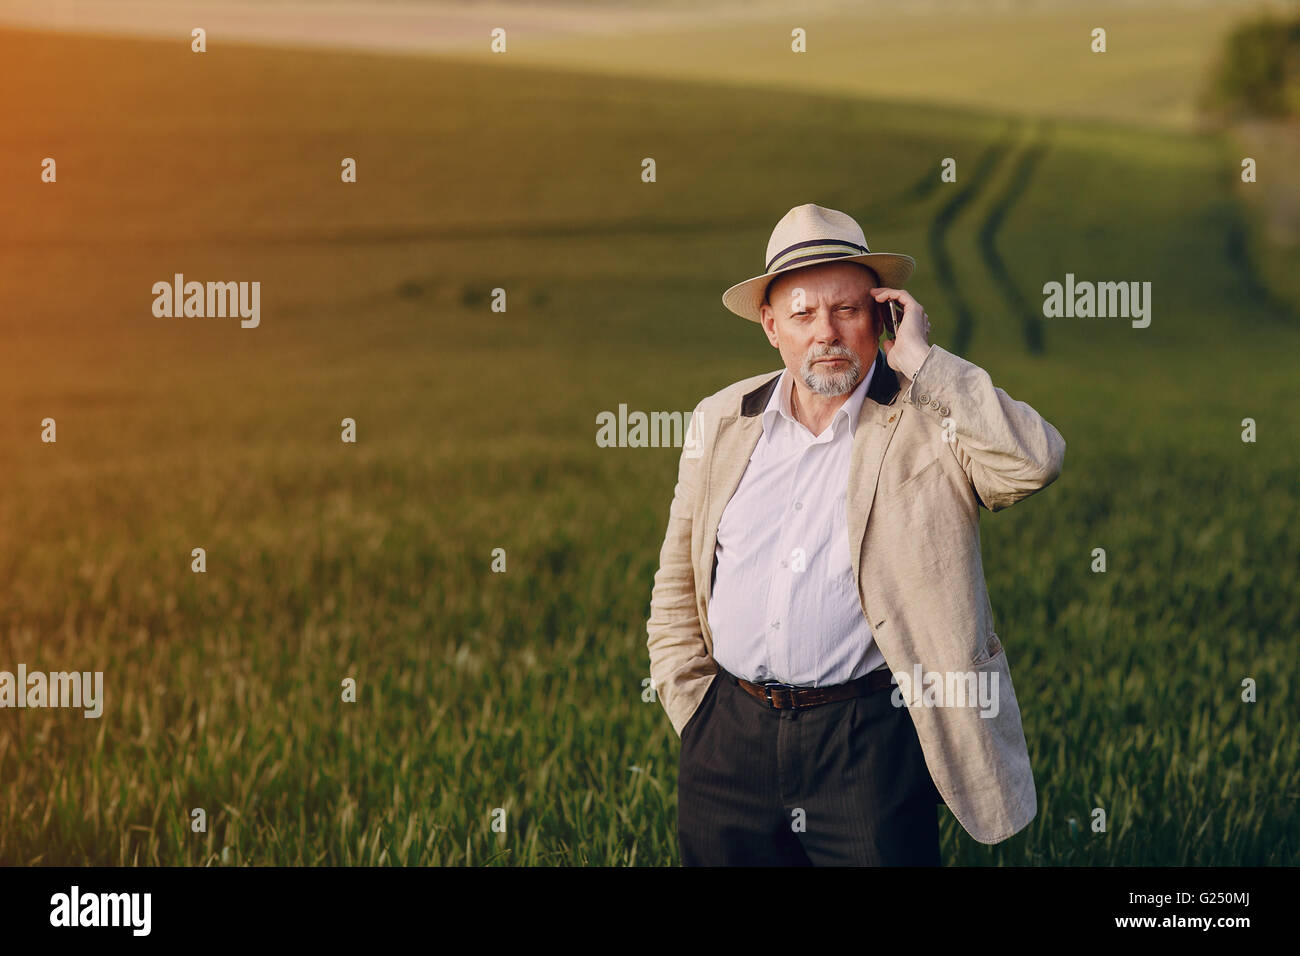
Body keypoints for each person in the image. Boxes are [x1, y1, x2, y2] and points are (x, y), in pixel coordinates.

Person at [646, 203, 1066, 865]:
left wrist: (925, 361)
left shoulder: (926, 417)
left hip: (867, 740)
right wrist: (695, 712)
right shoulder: (722, 418)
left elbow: (1034, 461)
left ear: (881, 315)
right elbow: (677, 577)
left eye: (847, 310)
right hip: (728, 736)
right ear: (771, 325)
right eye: (804, 314)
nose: (827, 334)